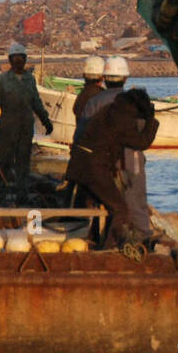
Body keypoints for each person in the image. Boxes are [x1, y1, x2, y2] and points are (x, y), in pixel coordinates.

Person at [65, 85, 159, 250]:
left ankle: (94, 240)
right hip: (92, 168)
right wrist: (152, 120)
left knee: (105, 203)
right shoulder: (123, 119)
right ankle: (110, 249)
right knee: (120, 209)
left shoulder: (113, 109)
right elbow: (141, 143)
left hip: (82, 164)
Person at [0, 43, 52, 185]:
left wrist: (46, 121)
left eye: (20, 58)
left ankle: (22, 193)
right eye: (15, 59)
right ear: (10, 60)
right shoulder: (2, 80)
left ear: (25, 59)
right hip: (8, 127)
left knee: (23, 161)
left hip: (26, 128)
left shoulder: (30, 80)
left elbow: (36, 102)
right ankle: (0, 192)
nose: (18, 62)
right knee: (3, 161)